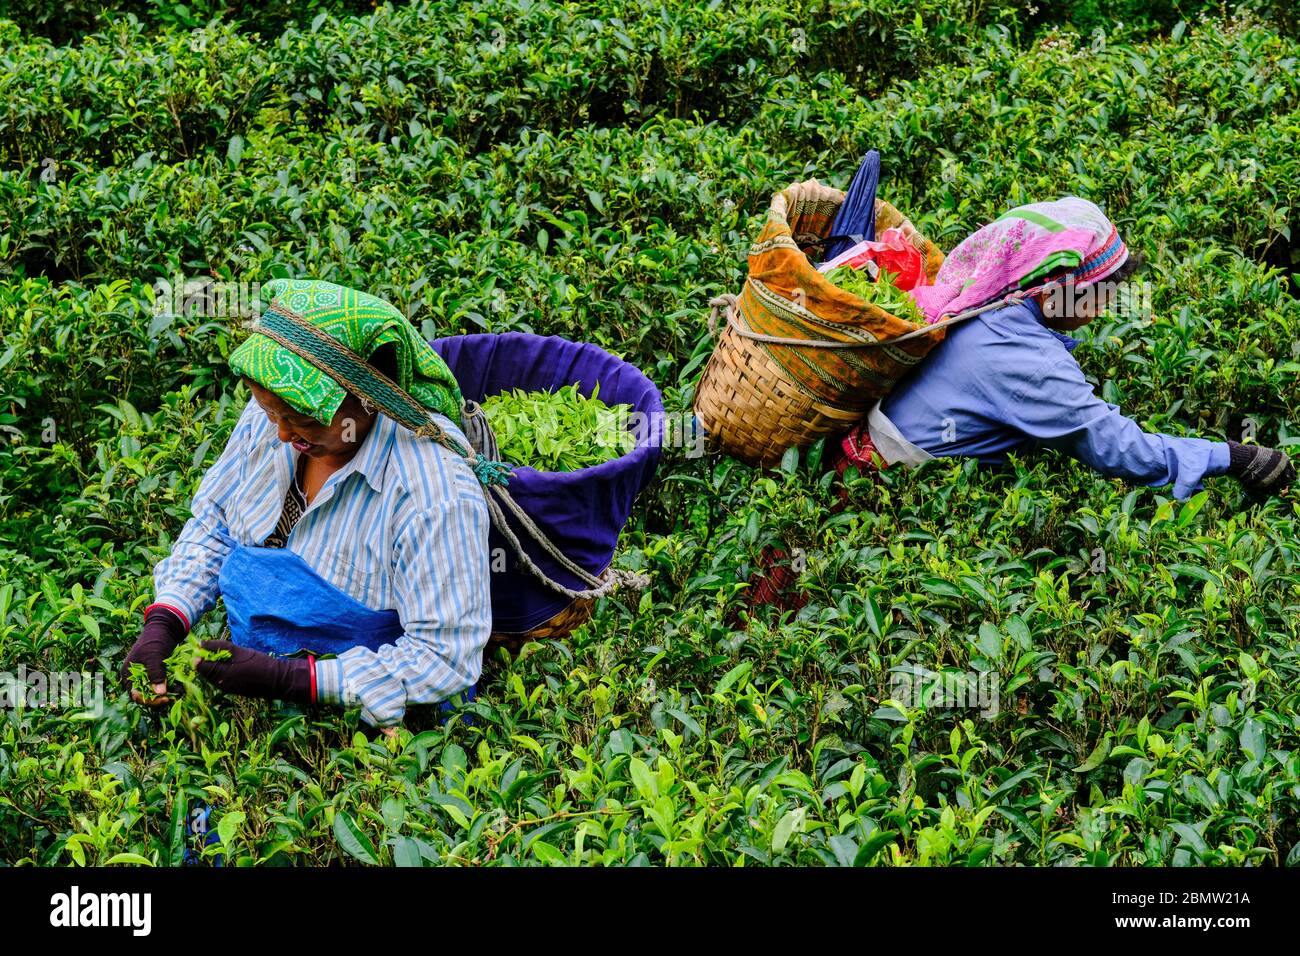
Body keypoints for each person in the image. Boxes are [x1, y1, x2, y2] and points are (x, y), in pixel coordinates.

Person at [122, 278, 492, 729]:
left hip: (380, 733)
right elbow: (216, 522)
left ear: (369, 400)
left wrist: (297, 679)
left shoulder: (433, 491)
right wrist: (167, 618)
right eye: (271, 414)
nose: (280, 434)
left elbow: (445, 657)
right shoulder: (276, 415)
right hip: (263, 699)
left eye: (299, 420)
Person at [835, 197, 1295, 500]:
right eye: (1098, 294)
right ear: (1054, 291)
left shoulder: (982, 304)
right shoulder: (1023, 360)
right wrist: (1229, 457)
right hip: (879, 492)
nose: (1104, 307)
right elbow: (1119, 449)